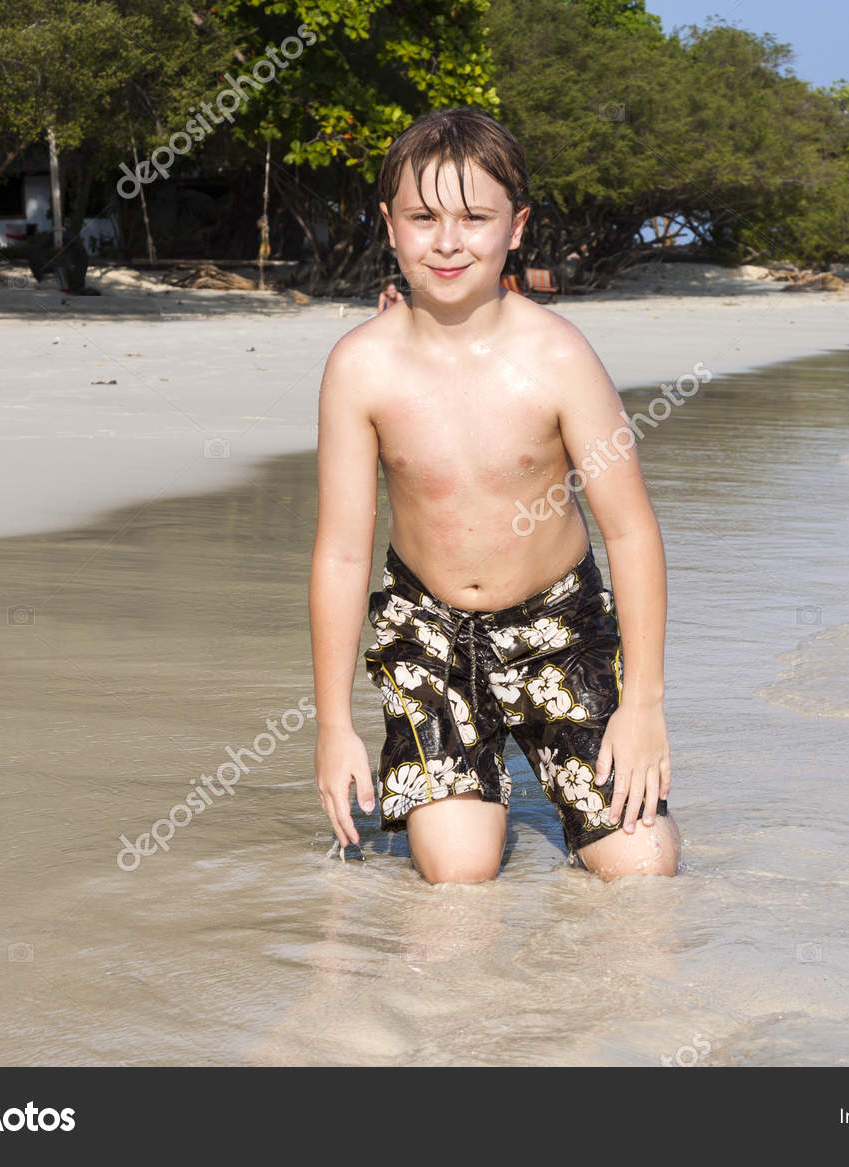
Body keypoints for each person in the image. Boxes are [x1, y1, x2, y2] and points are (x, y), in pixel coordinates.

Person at [310, 108, 680, 883]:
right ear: (389, 224)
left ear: (516, 227)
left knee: (644, 869)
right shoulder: (361, 367)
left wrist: (642, 706)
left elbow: (632, 532)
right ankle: (475, 794)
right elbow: (344, 552)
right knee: (457, 876)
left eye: (475, 218)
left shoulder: (558, 355)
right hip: (429, 637)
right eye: (423, 217)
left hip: (558, 630)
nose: (448, 241)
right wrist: (333, 724)